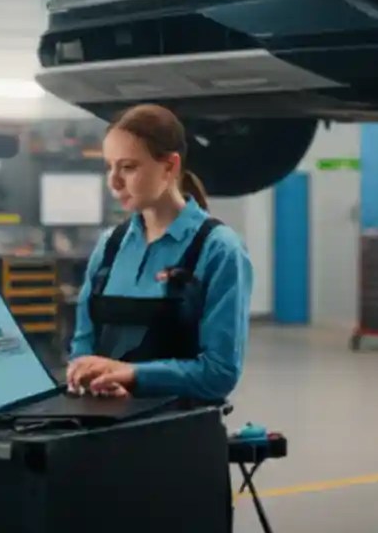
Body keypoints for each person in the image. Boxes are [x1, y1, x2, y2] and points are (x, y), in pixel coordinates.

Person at [65, 103, 254, 403]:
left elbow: (219, 374)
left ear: (169, 166)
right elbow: (83, 345)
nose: (114, 182)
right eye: (109, 167)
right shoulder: (110, 246)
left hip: (178, 436)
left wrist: (133, 375)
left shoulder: (219, 249)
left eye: (128, 167)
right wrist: (88, 375)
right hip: (101, 427)